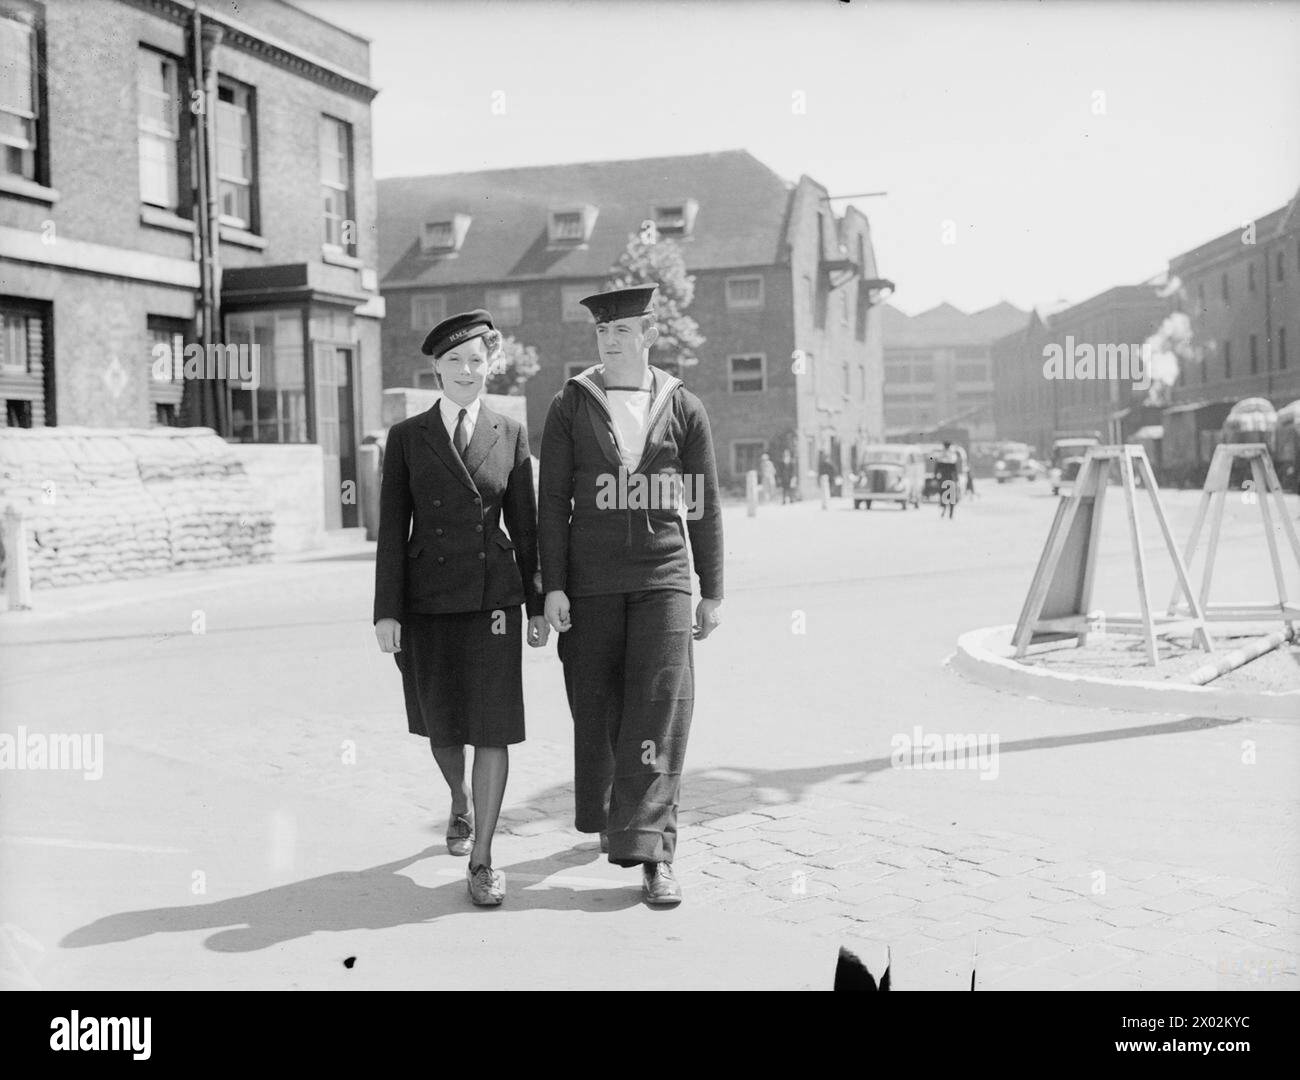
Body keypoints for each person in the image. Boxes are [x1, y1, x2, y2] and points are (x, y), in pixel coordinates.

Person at [538, 284, 724, 906]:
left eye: (622, 330)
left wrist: (712, 589)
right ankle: (608, 815)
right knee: (596, 706)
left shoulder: (683, 405)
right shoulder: (571, 403)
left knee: (659, 710)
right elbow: (552, 501)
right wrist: (554, 585)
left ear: (648, 333)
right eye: (602, 331)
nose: (610, 341)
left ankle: (653, 853)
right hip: (590, 586)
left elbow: (703, 504)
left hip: (664, 579)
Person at [373, 309, 549, 907]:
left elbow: (525, 526)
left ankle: (484, 859)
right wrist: (386, 611)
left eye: (477, 360)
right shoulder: (406, 439)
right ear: (436, 370)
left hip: (493, 601)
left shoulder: (511, 432)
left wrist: (536, 604)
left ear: (489, 363)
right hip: (427, 603)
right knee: (443, 724)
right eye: (455, 362)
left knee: (492, 727)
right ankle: (459, 799)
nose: (468, 371)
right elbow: (392, 531)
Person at [934, 440, 961, 520]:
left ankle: (945, 510)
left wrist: (936, 475)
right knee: (950, 496)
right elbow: (955, 468)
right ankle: (950, 512)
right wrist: (956, 478)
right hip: (950, 479)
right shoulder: (952, 454)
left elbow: (937, 467)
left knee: (944, 495)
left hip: (944, 479)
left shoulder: (941, 455)